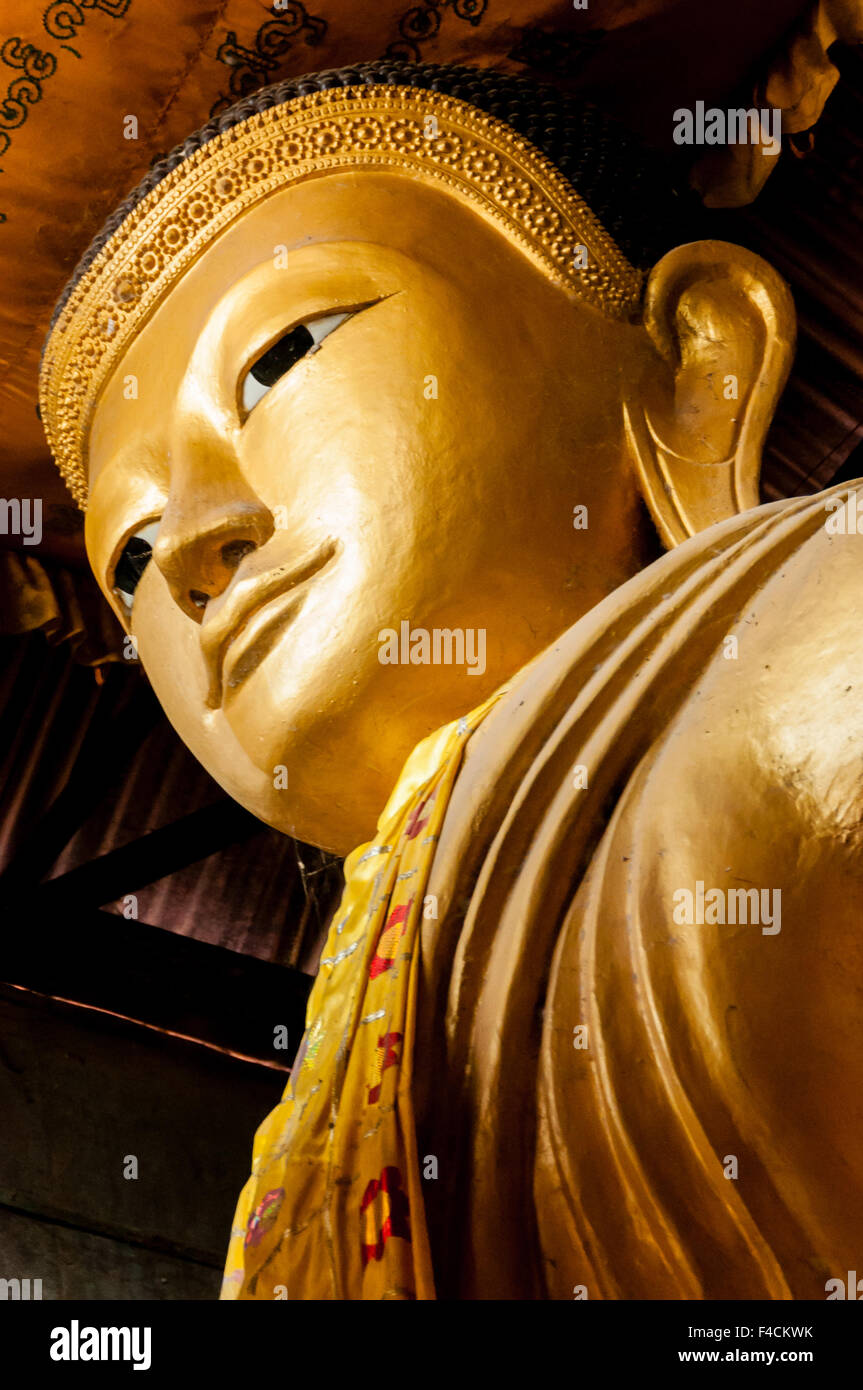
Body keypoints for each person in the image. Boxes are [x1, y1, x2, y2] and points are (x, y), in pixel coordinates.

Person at [40, 60, 863, 1300]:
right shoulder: (320, 1114)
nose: (196, 548)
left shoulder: (828, 645)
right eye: (128, 554)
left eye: (281, 357)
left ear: (697, 363)